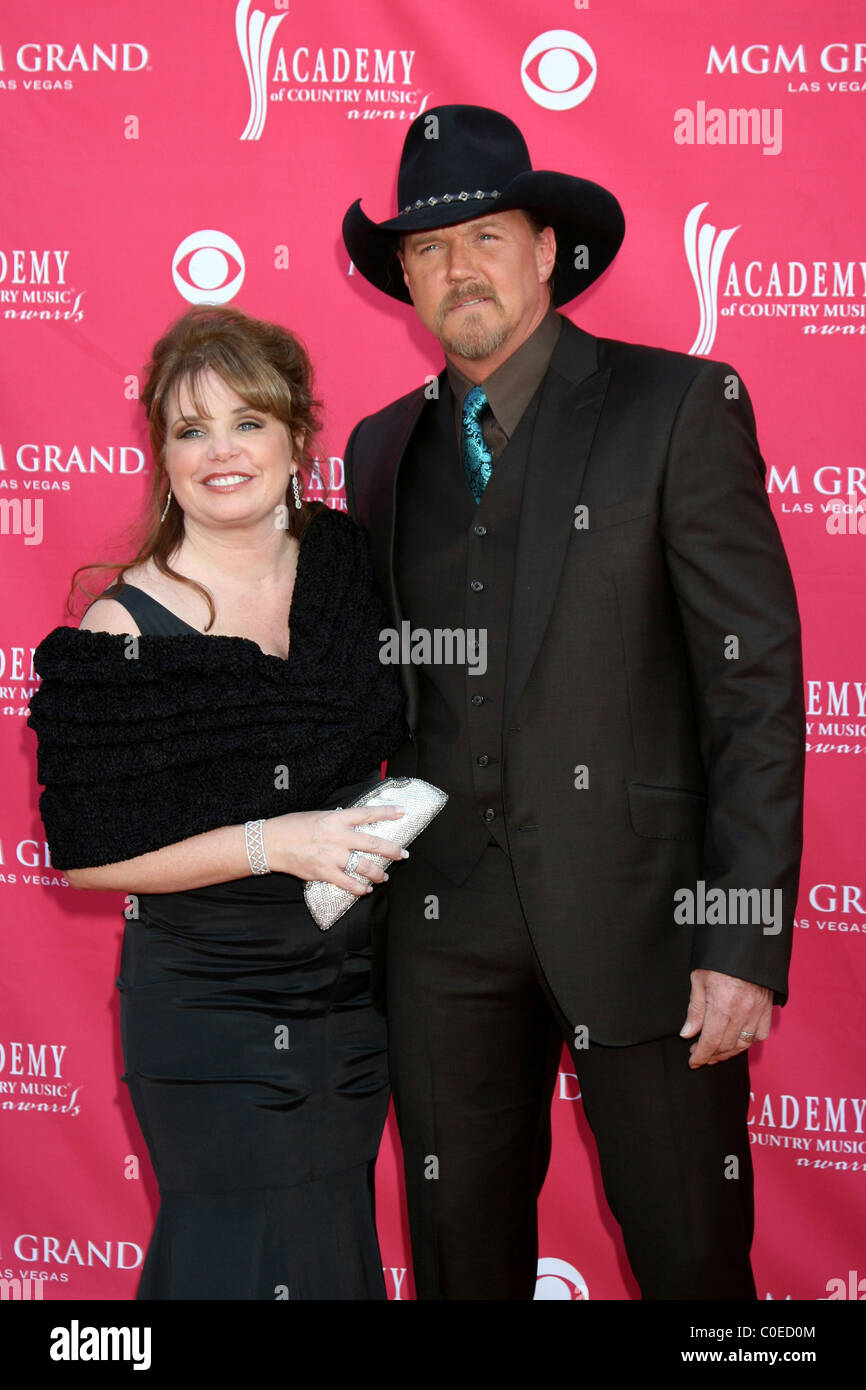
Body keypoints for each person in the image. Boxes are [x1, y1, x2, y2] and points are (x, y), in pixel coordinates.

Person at [341, 104, 806, 1300]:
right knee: (459, 1267)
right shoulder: (378, 450)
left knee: (695, 1269)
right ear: (404, 277)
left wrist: (739, 939)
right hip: (440, 936)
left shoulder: (677, 406)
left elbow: (750, 685)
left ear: (546, 251)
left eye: (485, 237)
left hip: (649, 927)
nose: (458, 269)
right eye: (428, 248)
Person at [27, 305, 411, 1300]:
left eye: (248, 421)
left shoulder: (345, 567)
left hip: (349, 992)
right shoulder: (122, 627)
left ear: (296, 436)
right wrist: (269, 840)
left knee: (327, 1243)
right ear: (162, 454)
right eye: (191, 429)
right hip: (208, 1001)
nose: (222, 452)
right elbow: (85, 857)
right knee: (234, 1252)